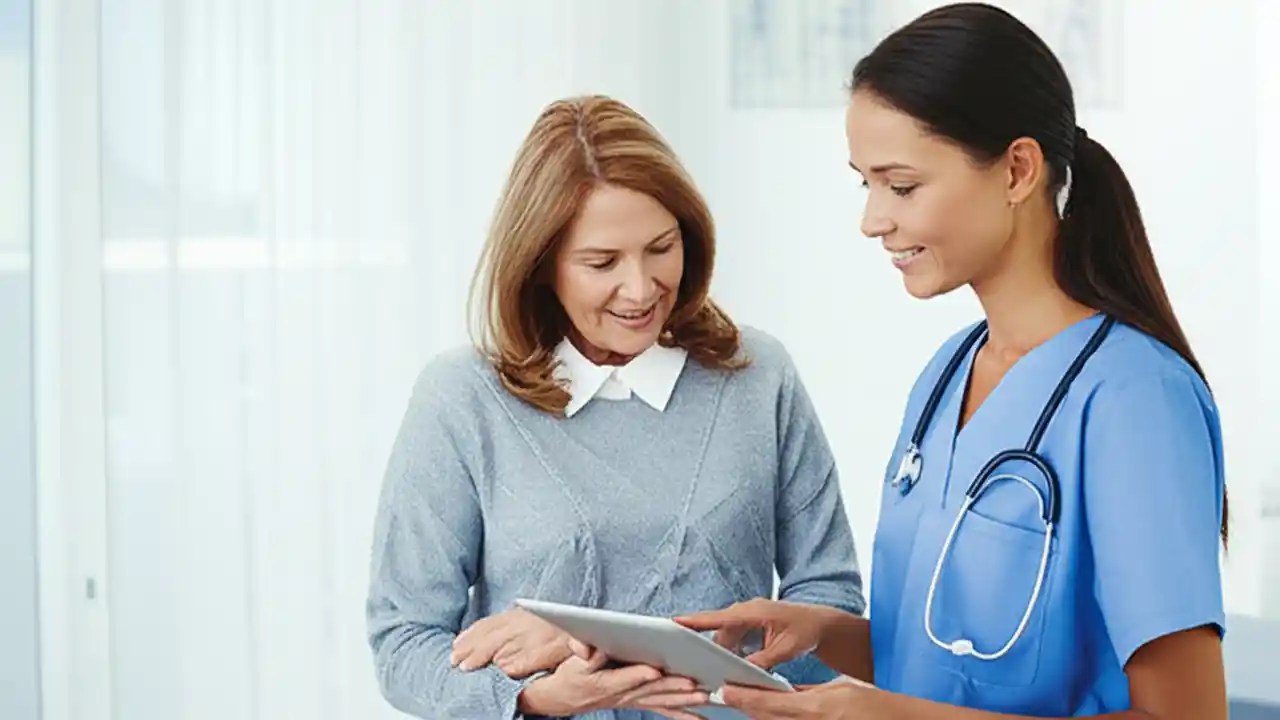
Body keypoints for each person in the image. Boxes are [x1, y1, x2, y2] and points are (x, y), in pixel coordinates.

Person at [672, 3, 1229, 718]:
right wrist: (827, 634)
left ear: (1017, 170)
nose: (873, 219)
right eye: (864, 183)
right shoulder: (947, 374)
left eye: (901, 186)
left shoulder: (1135, 399)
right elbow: (962, 656)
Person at [365, 95, 865, 719]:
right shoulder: (462, 398)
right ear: (542, 264)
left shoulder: (758, 378)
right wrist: (532, 698)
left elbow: (831, 606)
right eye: (602, 262)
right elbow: (404, 646)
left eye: (661, 247)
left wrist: (596, 644)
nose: (641, 287)